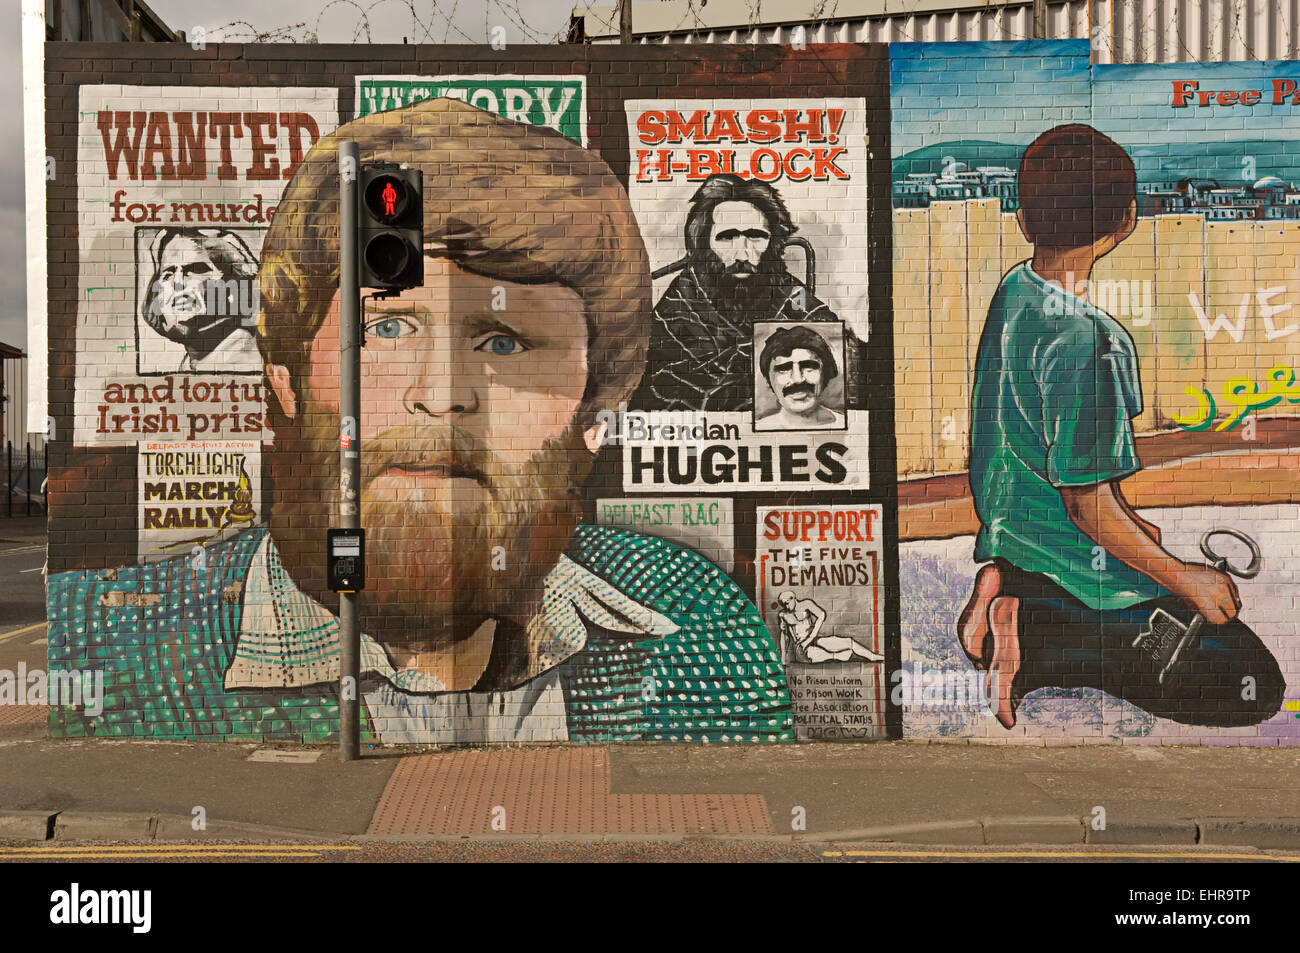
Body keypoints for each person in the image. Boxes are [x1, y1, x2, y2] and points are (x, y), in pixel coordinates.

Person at [48, 97, 793, 745]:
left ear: (596, 414)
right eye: (388, 329)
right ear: (284, 380)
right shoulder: (101, 645)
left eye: (504, 341)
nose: (440, 393)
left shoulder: (697, 628)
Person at [957, 123, 1284, 730]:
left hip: (1016, 530)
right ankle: (1034, 635)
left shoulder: (1016, 290)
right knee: (1251, 686)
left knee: (1159, 569)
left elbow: (1028, 441)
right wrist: (1180, 577)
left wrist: (1139, 535)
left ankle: (1014, 585)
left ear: (1025, 221)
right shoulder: (1091, 341)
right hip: (1074, 561)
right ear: (1125, 222)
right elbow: (1086, 503)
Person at [631, 173, 839, 412]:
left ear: (773, 242)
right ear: (703, 242)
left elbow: (829, 337)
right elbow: (658, 389)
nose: (742, 254)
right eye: (727, 237)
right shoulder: (680, 304)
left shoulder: (791, 293)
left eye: (756, 236)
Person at [142, 228, 262, 373]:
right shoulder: (193, 366)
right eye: (168, 274)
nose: (177, 283)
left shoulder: (247, 363)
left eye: (196, 269)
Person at [755, 325, 845, 430]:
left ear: (825, 373)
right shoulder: (761, 428)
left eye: (809, 366)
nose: (798, 379)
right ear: (768, 380)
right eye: (784, 369)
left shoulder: (847, 425)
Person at [775, 591, 881, 664]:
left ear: (793, 599)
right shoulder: (783, 615)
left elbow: (821, 615)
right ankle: (839, 656)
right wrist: (783, 658)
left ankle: (872, 656)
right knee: (815, 654)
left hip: (814, 639)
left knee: (847, 642)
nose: (786, 607)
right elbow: (784, 637)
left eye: (787, 603)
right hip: (801, 647)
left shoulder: (806, 604)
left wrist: (811, 637)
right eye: (783, 605)